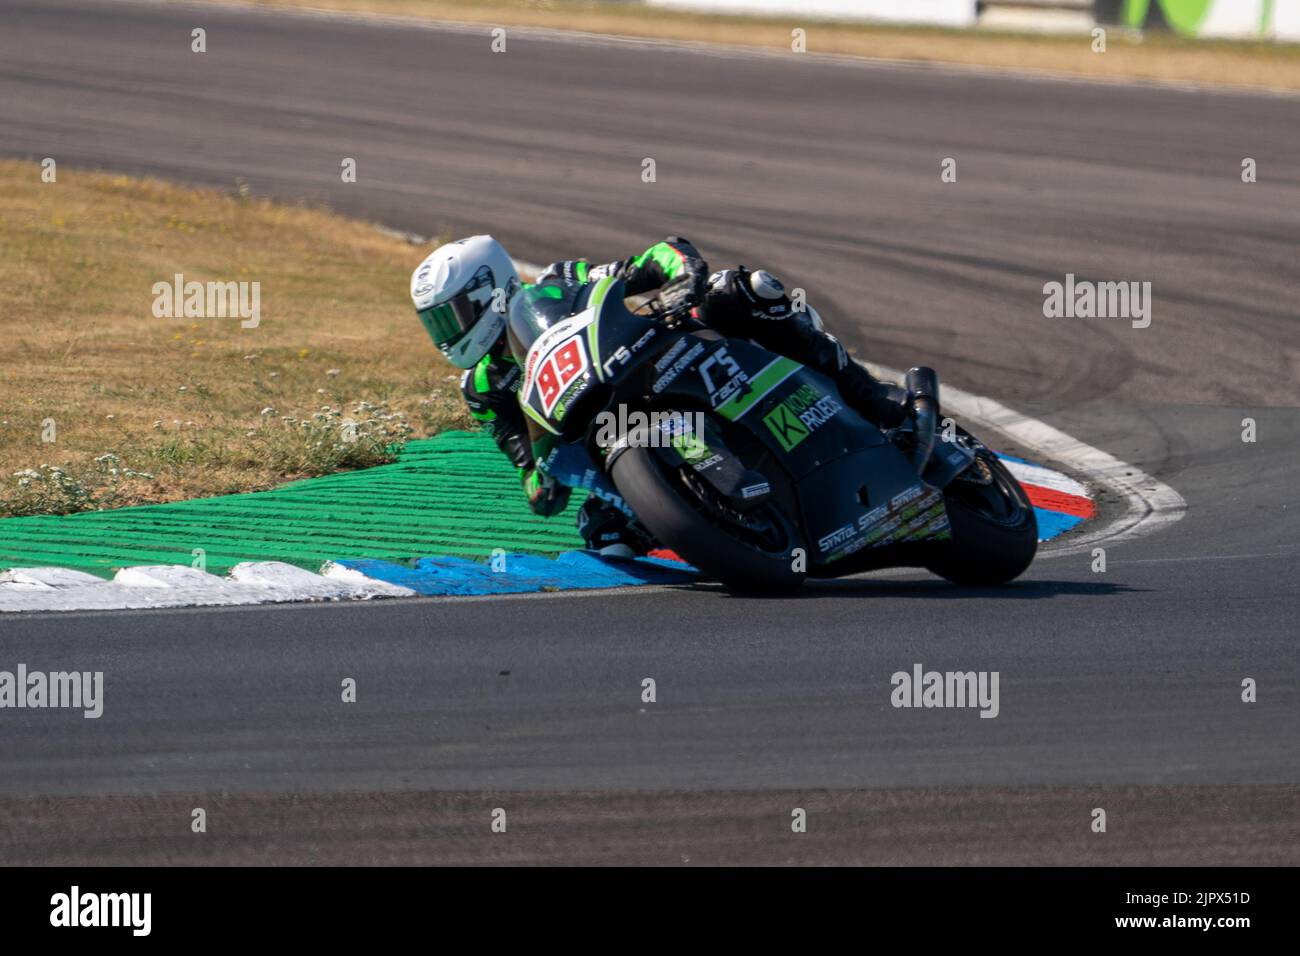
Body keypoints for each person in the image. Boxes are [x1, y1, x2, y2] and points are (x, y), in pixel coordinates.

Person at [410, 234, 910, 554]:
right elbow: (522, 460)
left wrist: (681, 271)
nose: (447, 334)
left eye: (450, 316)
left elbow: (646, 261)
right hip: (606, 445)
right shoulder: (483, 388)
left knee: (743, 289)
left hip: (664, 367)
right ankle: (713, 529)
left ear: (486, 290)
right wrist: (540, 483)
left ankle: (870, 396)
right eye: (436, 324)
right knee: (604, 536)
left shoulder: (559, 282)